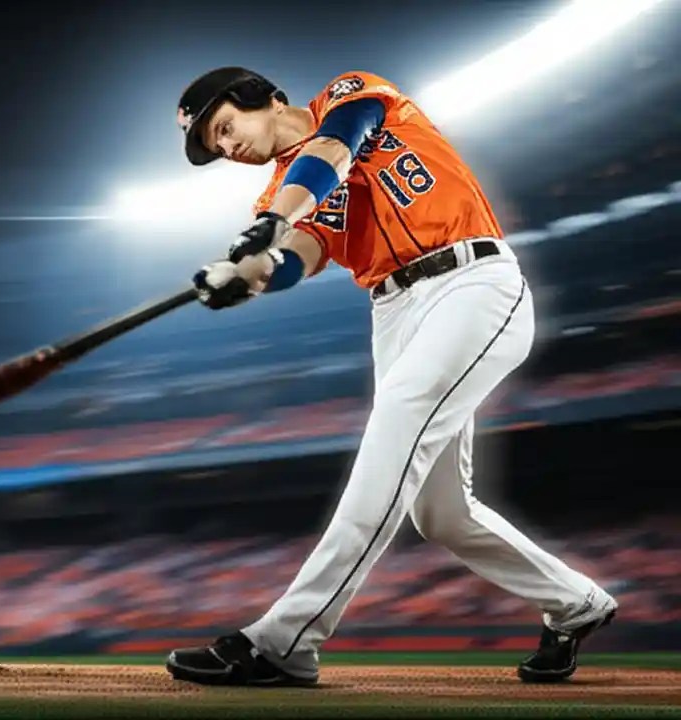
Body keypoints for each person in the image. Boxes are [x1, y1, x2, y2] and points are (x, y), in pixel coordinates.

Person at [164, 68, 617, 687]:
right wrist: (253, 277)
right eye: (217, 148)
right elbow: (308, 252)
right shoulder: (275, 193)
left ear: (260, 96)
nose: (228, 148)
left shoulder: (346, 95)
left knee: (394, 428)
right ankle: (576, 604)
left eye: (225, 128)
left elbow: (336, 144)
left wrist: (271, 224)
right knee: (444, 515)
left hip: (471, 281)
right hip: (393, 311)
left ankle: (287, 640)